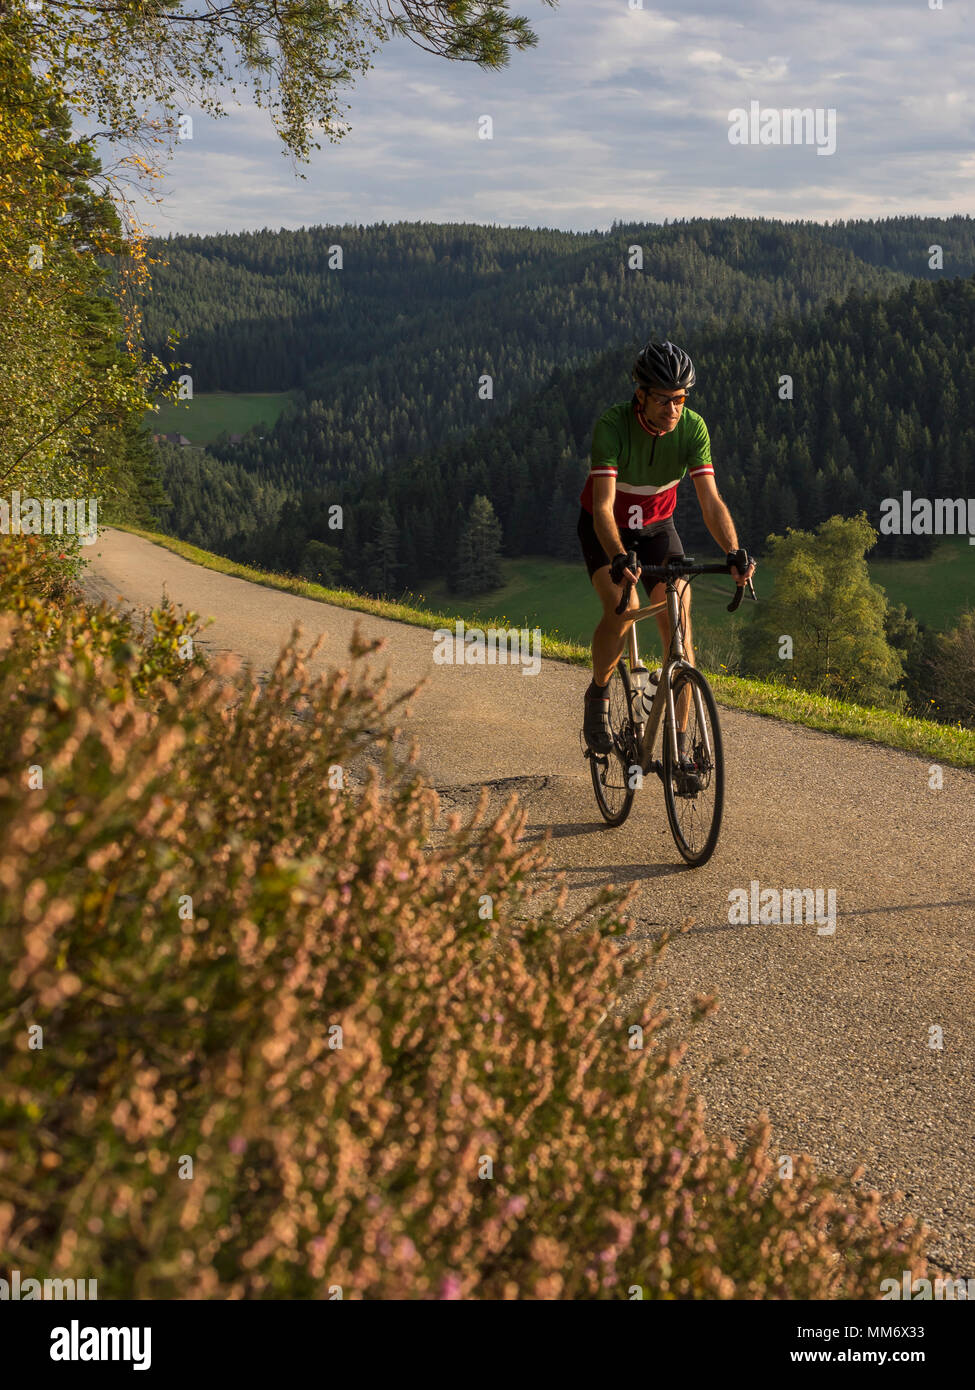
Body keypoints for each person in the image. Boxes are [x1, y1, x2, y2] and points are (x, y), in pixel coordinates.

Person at [578, 338, 755, 760]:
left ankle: (678, 748)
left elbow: (710, 501)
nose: (673, 409)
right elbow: (602, 506)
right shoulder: (613, 426)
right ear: (640, 395)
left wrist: (733, 551)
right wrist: (619, 556)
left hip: (658, 528)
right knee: (623, 608)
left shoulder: (693, 428)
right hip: (608, 529)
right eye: (663, 400)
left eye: (680, 399)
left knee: (679, 624)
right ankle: (599, 692)